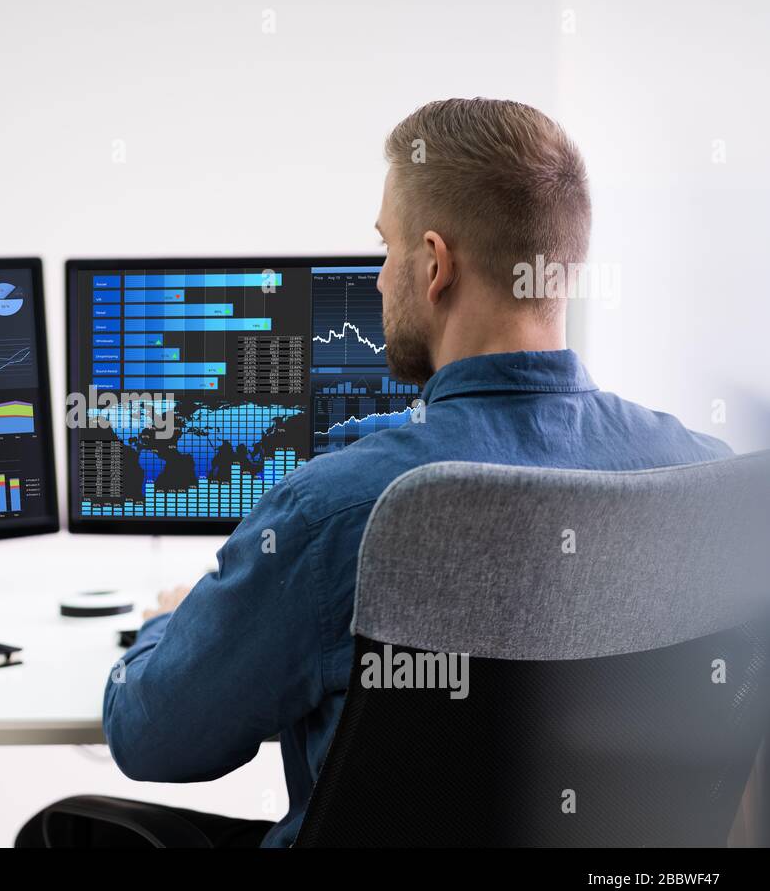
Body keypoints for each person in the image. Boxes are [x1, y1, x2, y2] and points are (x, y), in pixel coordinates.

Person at [100, 98, 732, 847]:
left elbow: (154, 736)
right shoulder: (707, 482)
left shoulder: (340, 511)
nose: (375, 280)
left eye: (385, 248)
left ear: (434, 266)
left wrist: (163, 625)